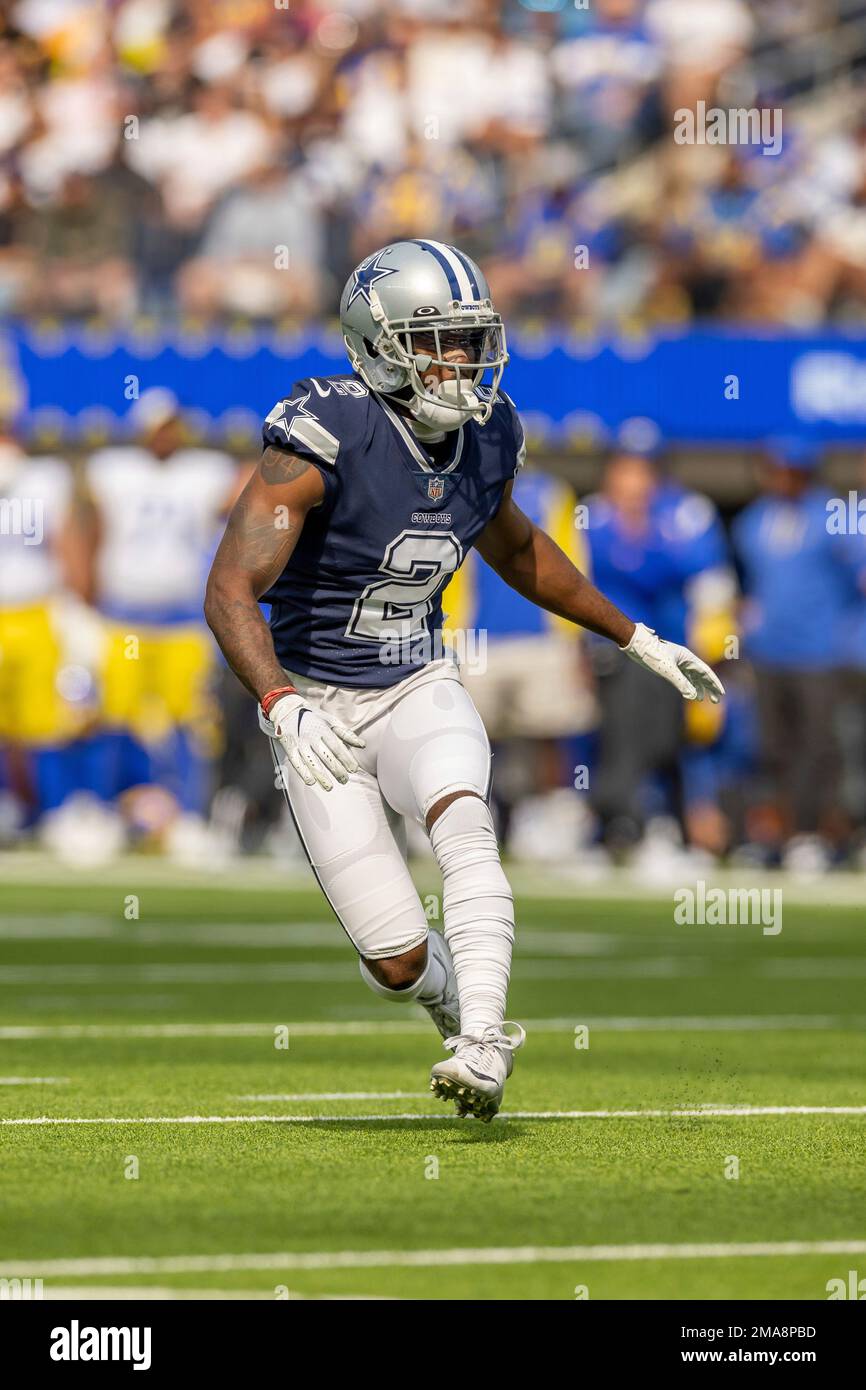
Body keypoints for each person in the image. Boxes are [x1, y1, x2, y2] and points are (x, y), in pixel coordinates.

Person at [204, 238, 724, 1121]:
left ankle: (485, 1038)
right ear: (378, 342)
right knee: (397, 962)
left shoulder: (489, 432)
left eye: (470, 338)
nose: (462, 360)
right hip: (316, 707)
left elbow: (516, 548)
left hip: (416, 680)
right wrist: (280, 703)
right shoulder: (328, 428)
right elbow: (229, 588)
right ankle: (451, 1005)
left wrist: (634, 635)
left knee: (464, 815)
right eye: (437, 339)